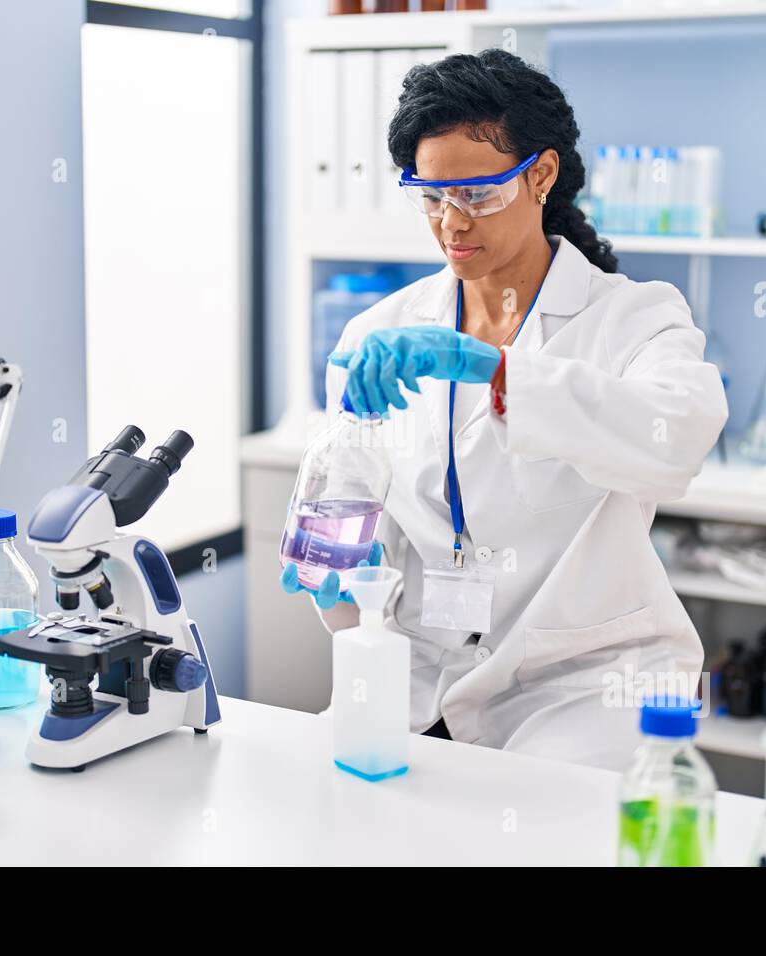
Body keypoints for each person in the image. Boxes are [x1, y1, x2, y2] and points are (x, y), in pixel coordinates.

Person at [281, 49, 727, 770]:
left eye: (477, 194)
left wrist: (496, 371)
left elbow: (676, 436)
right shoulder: (379, 333)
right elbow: (346, 500)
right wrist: (325, 556)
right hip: (419, 670)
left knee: (534, 830)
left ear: (541, 175)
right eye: (430, 196)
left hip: (580, 680)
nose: (451, 223)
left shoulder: (632, 317)